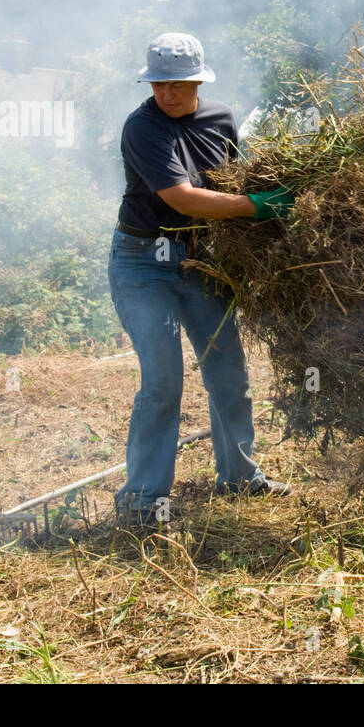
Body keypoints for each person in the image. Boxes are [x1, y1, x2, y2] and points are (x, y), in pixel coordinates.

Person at [110, 31, 295, 527]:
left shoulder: (221, 118)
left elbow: (232, 180)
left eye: (177, 84)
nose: (167, 93)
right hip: (144, 263)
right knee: (163, 380)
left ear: (198, 80)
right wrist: (257, 207)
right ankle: (143, 502)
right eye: (158, 84)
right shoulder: (141, 127)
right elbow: (185, 198)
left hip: (201, 263)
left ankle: (240, 478)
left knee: (229, 372)